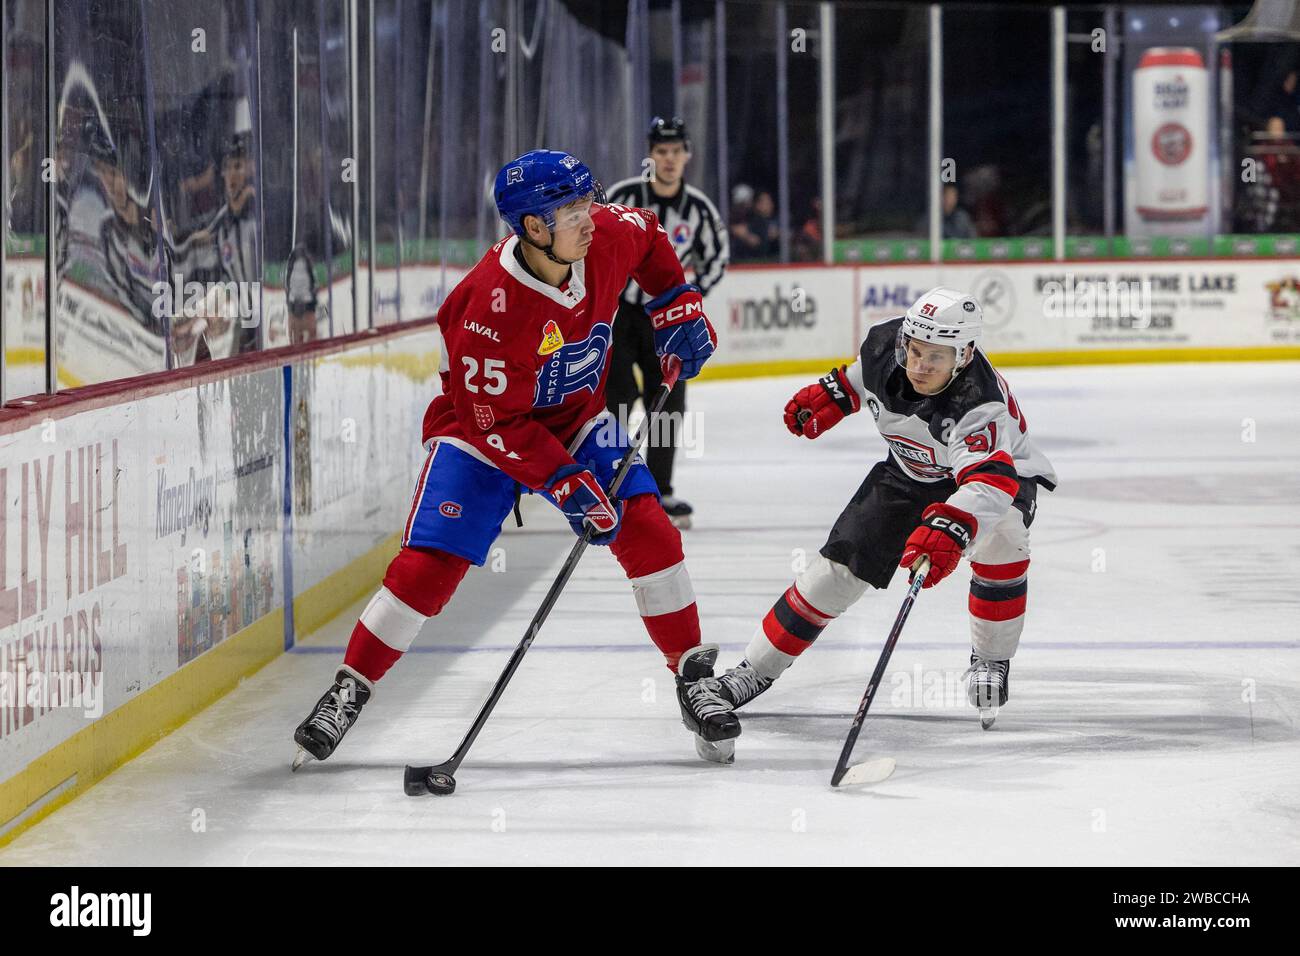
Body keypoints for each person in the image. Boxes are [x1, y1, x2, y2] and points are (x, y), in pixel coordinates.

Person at [293, 149, 742, 767]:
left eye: (589, 203)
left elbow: (650, 235)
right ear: (533, 227)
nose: (592, 219)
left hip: (576, 419)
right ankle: (349, 689)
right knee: (430, 567)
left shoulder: (601, 236)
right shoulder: (488, 310)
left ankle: (692, 677)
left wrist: (675, 303)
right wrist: (566, 483)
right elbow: (495, 423)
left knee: (649, 528)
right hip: (480, 435)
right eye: (573, 211)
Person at [704, 287, 1057, 730]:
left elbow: (989, 483)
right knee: (836, 570)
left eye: (936, 358)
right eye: (914, 350)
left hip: (997, 478)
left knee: (1002, 540)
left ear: (964, 356)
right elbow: (859, 380)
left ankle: (991, 660)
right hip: (910, 472)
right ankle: (753, 670)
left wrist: (950, 528)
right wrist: (832, 397)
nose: (919, 366)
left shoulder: (977, 404)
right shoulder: (881, 347)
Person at [604, 117, 729, 529]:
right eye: (661, 151)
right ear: (650, 155)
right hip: (619, 317)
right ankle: (611, 483)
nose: (669, 159)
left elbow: (717, 256)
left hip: (668, 323)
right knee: (615, 399)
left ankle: (661, 489)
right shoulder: (624, 197)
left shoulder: (699, 209)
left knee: (667, 403)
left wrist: (689, 300)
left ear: (687, 155)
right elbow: (596, 247)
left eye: (676, 151)